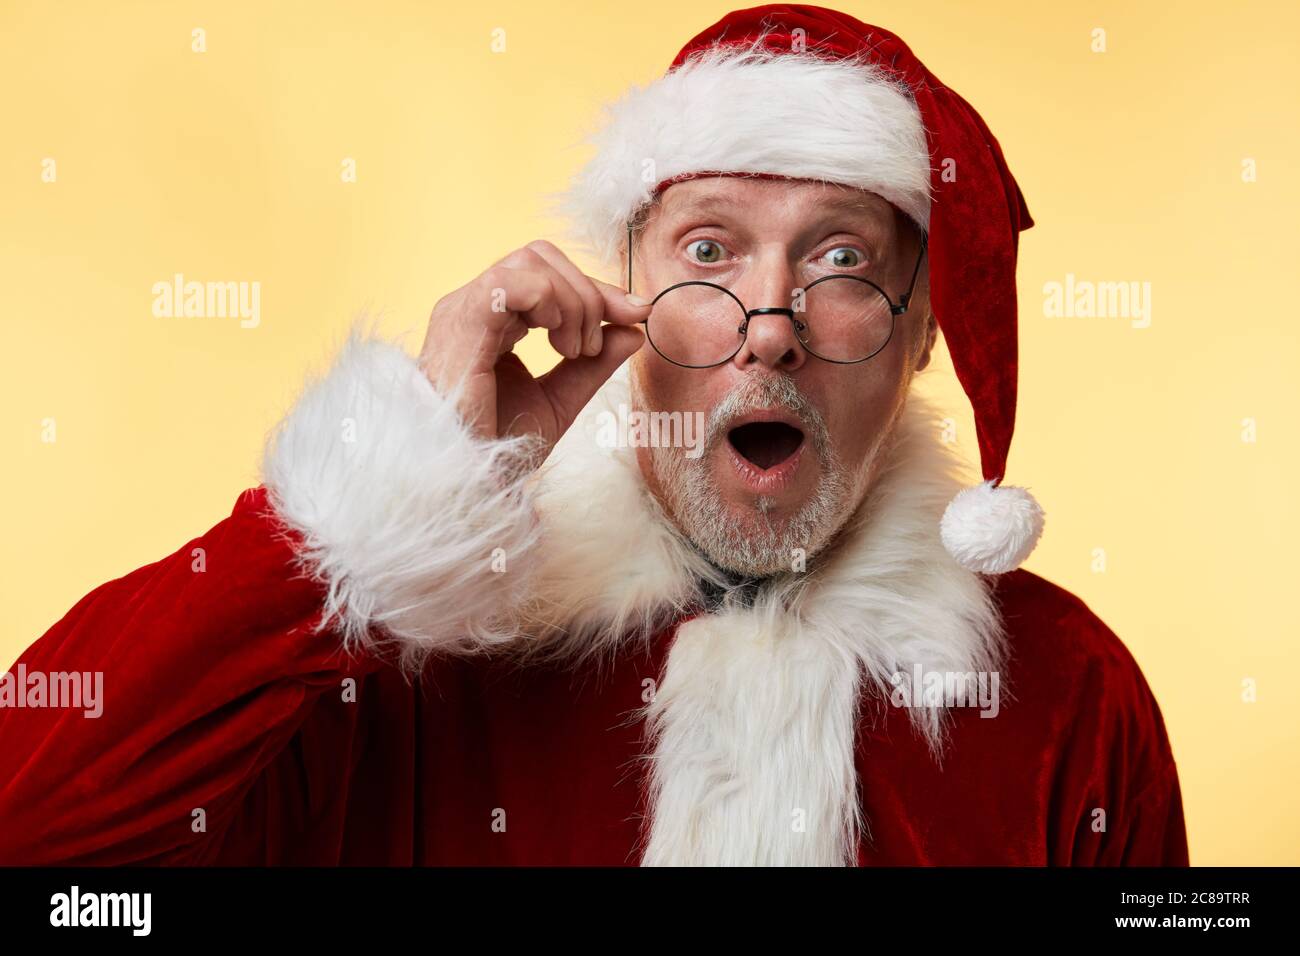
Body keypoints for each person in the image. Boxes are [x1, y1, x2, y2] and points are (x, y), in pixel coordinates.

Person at [0, 4, 1187, 866]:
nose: (768, 327)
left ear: (918, 332)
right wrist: (377, 512)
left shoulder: (1067, 693)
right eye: (709, 250)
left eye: (839, 260)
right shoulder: (401, 664)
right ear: (626, 297)